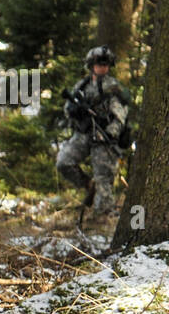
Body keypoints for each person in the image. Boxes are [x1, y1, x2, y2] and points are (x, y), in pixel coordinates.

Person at [56, 45, 131, 216]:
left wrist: (110, 132)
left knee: (104, 180)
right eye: (99, 64)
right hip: (84, 133)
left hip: (105, 138)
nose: (102, 67)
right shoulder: (82, 85)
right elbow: (68, 108)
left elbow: (120, 116)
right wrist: (75, 111)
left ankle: (103, 219)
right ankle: (89, 185)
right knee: (64, 162)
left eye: (106, 64)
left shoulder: (113, 87)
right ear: (91, 65)